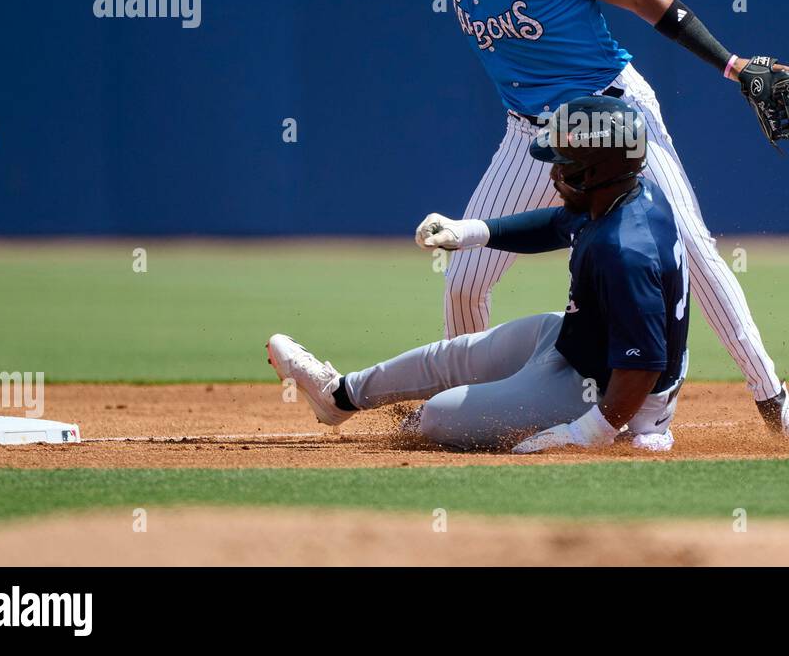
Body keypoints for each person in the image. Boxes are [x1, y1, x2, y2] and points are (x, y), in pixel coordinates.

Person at [390, 0, 789, 435]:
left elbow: (650, 0)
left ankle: (775, 402)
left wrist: (733, 65)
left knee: (694, 253)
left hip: (615, 125)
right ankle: (470, 414)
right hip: (532, 137)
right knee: (463, 273)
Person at [267, 96, 688, 452]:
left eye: (563, 164)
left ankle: (623, 434)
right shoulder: (625, 194)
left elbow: (645, 364)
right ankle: (339, 396)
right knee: (453, 357)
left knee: (436, 417)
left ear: (594, 172)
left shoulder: (624, 250)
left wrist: (588, 433)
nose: (554, 173)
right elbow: (558, 224)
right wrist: (468, 231)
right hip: (581, 345)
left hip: (606, 389)